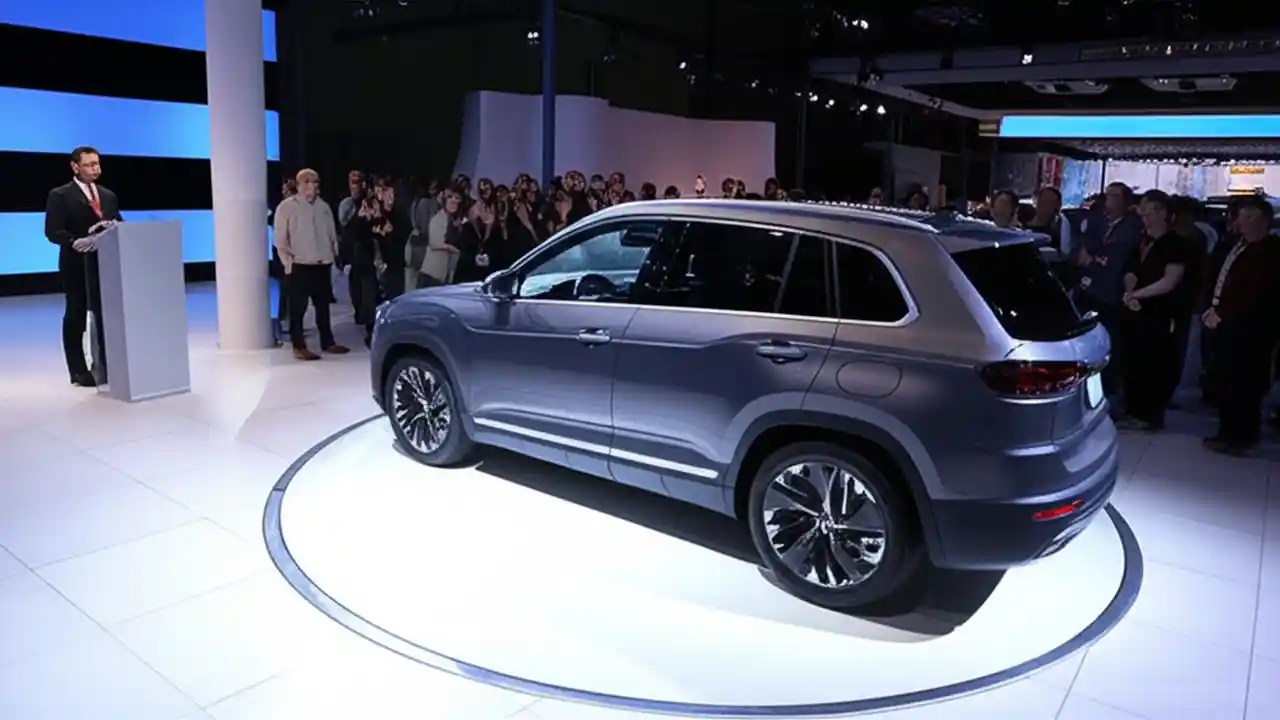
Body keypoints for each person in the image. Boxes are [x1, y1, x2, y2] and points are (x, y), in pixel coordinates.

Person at [1201, 195, 1280, 455]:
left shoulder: (1270, 252)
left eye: (1250, 218)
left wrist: (1222, 312)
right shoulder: (1238, 244)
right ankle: (1227, 430)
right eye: (1241, 217)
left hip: (1250, 327)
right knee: (1225, 377)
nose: (1242, 223)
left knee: (1244, 382)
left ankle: (1241, 435)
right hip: (1227, 322)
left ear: (1265, 221)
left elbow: (1254, 291)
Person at [44, 146, 124, 387]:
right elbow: (53, 230)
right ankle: (78, 370)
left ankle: (107, 364)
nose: (95, 168)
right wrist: (75, 241)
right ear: (75, 166)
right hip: (76, 263)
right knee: (76, 313)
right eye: (89, 164)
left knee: (106, 314)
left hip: (106, 264)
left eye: (97, 164)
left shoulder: (108, 195)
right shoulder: (60, 195)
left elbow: (118, 223)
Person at [1114, 191, 1188, 431]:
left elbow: (1170, 281)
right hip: (1135, 312)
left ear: (1163, 212)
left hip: (1161, 315)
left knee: (1154, 364)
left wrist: (1138, 295)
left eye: (1149, 209)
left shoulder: (1176, 244)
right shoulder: (1142, 241)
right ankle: (1133, 409)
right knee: (1132, 363)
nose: (1143, 214)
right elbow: (1130, 270)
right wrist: (1130, 292)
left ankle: (1149, 415)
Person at [1075, 182, 1142, 397]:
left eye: (1114, 196)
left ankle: (1110, 388)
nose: (1109, 200)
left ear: (1125, 200)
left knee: (1113, 341)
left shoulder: (1131, 227)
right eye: (1107, 195)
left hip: (1112, 293)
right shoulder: (1097, 222)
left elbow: (1116, 258)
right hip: (1089, 289)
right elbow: (1083, 250)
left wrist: (1095, 259)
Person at [274, 168, 349, 361]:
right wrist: (288, 263)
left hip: (322, 263)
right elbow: (280, 240)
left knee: (323, 306)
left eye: (315, 182)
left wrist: (333, 256)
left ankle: (328, 341)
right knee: (298, 308)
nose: (311, 186)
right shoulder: (287, 207)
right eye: (307, 182)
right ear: (298, 185)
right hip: (299, 264)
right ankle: (298, 345)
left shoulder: (323, 207)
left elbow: (332, 235)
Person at [421, 190, 464, 286]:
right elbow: (434, 244)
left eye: (457, 198)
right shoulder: (438, 218)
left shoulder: (455, 221)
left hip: (445, 274)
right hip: (433, 273)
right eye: (450, 198)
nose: (453, 201)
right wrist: (451, 248)